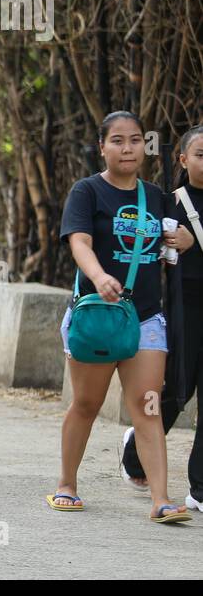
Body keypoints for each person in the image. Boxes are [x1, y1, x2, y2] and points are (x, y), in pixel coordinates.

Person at [51, 111, 195, 523]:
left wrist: (183, 240)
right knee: (87, 403)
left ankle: (162, 500)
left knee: (148, 407)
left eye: (135, 140)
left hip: (145, 318)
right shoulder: (87, 192)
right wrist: (98, 276)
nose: (128, 148)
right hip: (97, 312)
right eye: (117, 141)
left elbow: (176, 239)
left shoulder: (157, 196)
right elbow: (78, 241)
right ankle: (67, 484)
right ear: (102, 147)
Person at [121, 125, 203, 512]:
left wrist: (195, 241)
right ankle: (135, 450)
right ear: (183, 160)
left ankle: (199, 490)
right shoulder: (170, 201)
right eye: (200, 154)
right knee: (178, 390)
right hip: (184, 308)